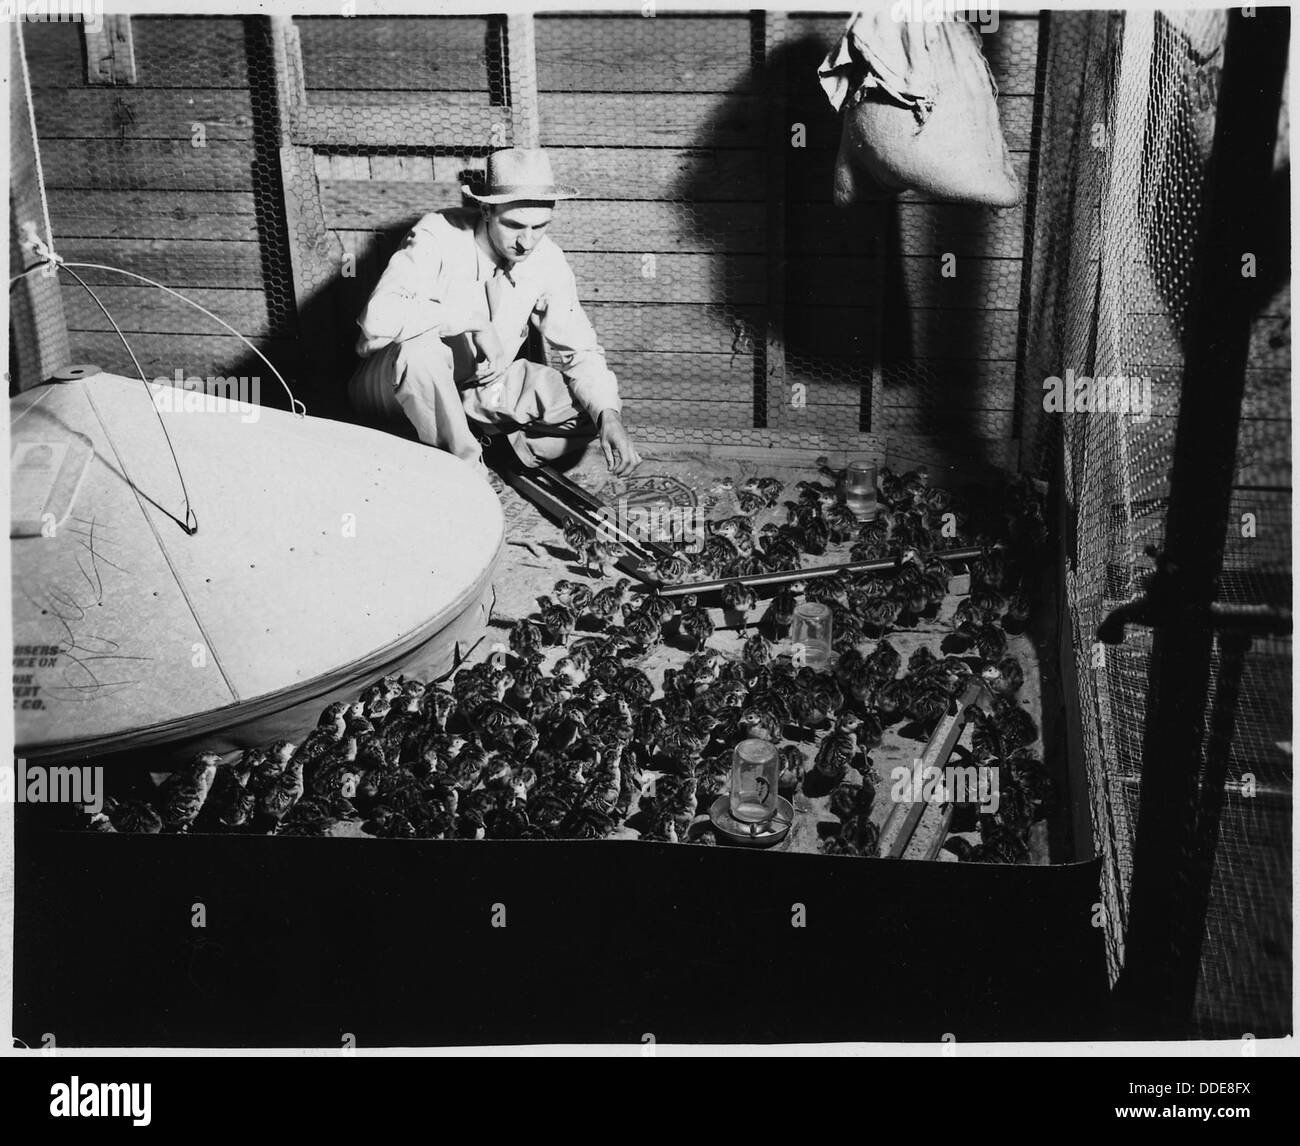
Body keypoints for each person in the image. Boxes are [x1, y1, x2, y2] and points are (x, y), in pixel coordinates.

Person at [347, 147, 642, 477]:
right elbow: (377, 318)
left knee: (590, 405)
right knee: (421, 353)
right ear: (486, 210)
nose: (526, 242)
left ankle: (502, 450)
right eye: (514, 225)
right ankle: (466, 475)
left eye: (540, 226)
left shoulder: (546, 258)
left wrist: (609, 414)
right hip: (394, 388)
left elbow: (581, 349)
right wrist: (475, 322)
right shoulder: (436, 234)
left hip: (478, 391)